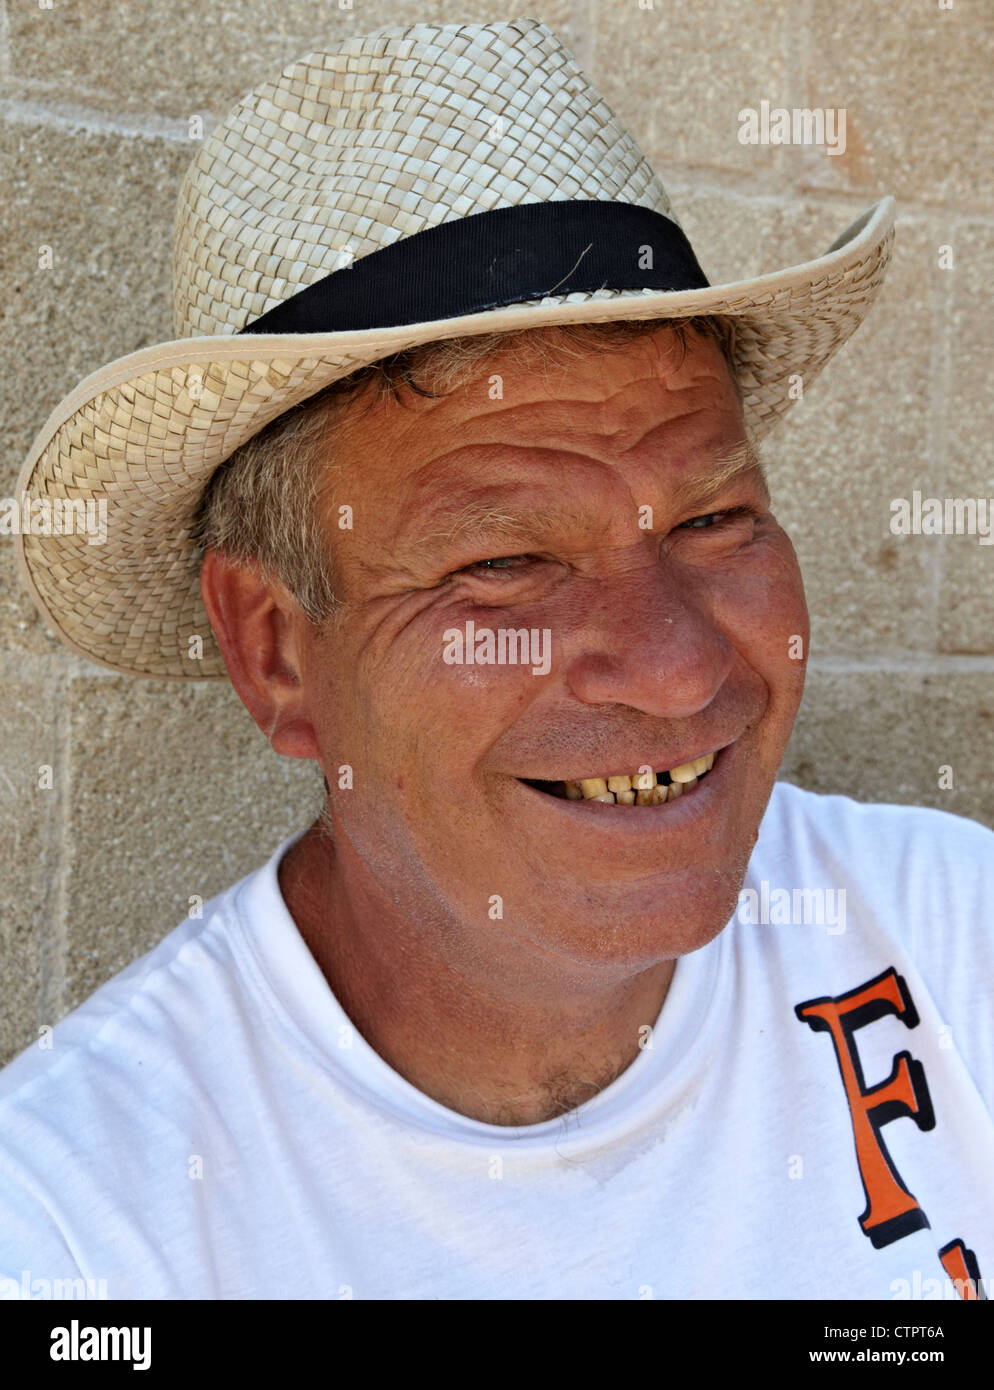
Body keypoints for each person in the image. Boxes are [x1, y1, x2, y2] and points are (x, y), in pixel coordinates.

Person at [2, 18, 991, 1301]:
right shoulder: (78, 1235)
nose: (678, 670)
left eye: (710, 519)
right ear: (276, 651)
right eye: (505, 563)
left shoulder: (953, 933)